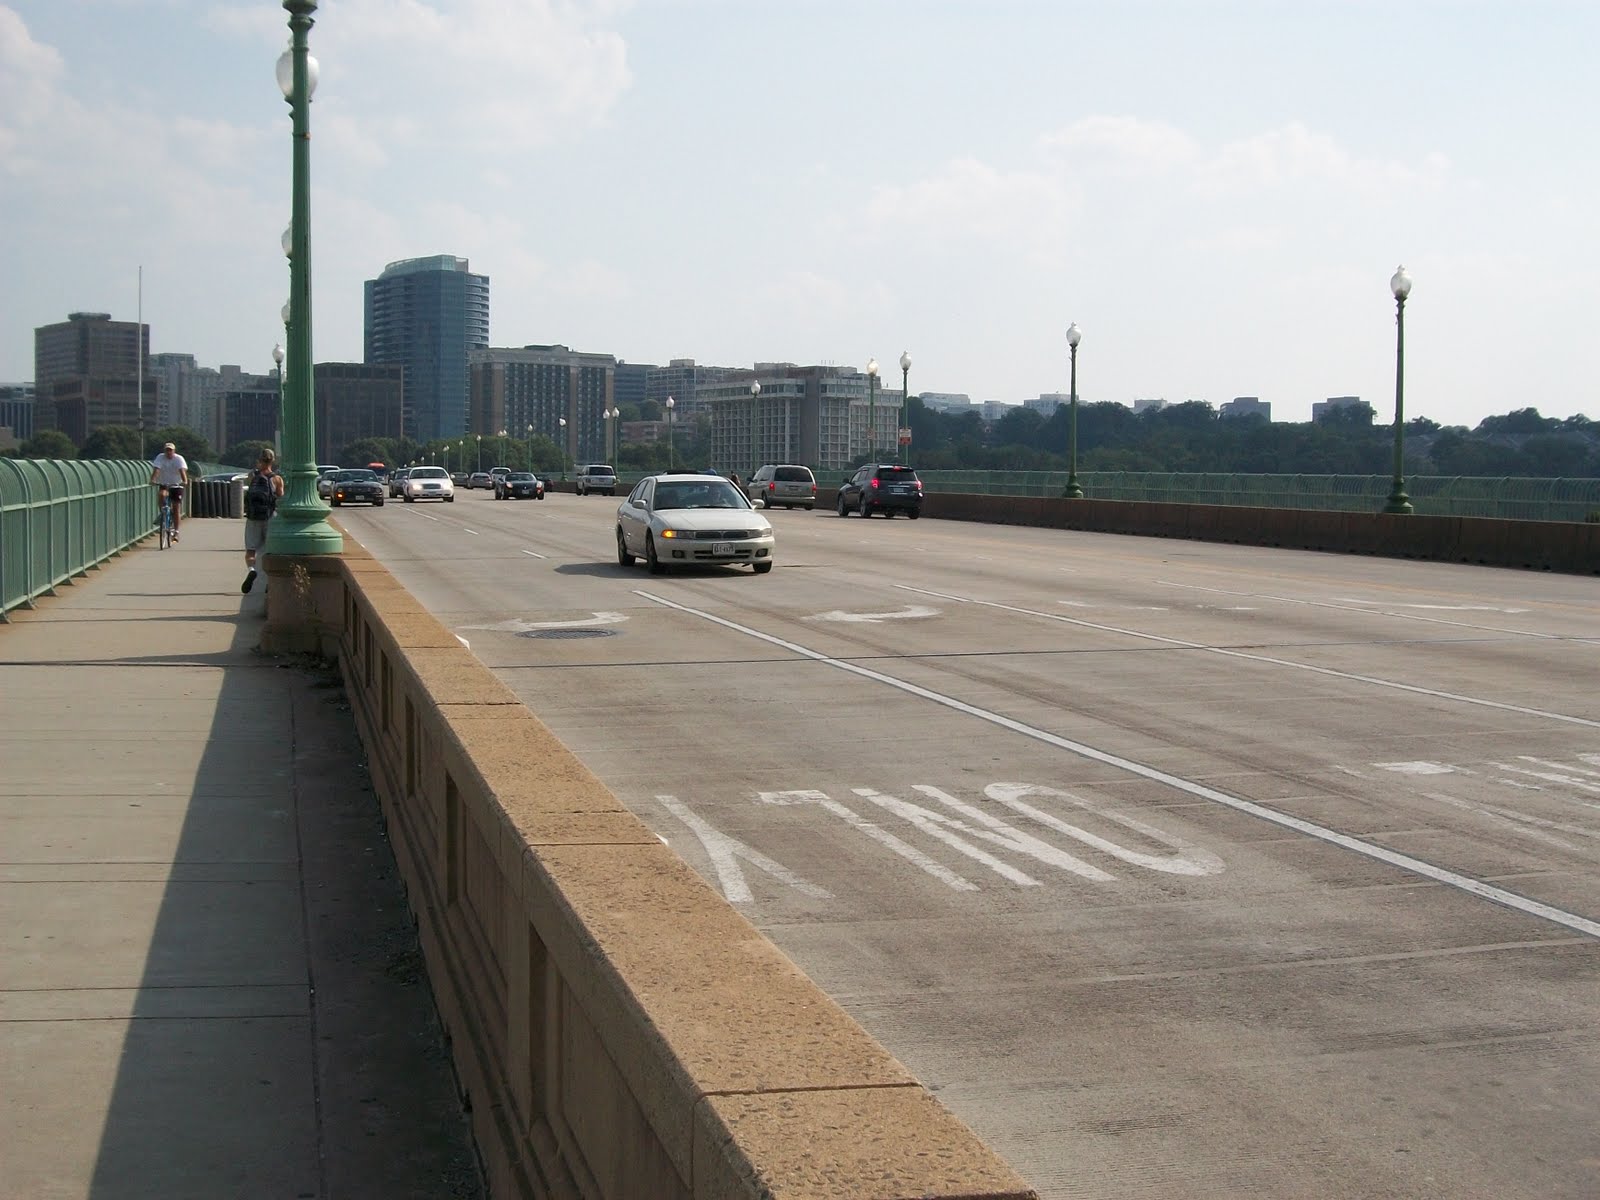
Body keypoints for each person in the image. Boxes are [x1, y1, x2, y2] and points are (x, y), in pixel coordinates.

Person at [241, 449, 285, 594]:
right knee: (269, 551)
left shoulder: (252, 476)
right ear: (272, 461)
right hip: (270, 517)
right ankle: (268, 581)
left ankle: (252, 570)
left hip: (253, 518)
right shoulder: (277, 479)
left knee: (251, 551)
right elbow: (280, 498)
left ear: (260, 460)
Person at [149, 442, 189, 541]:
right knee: (162, 495)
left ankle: (176, 532)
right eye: (167, 450)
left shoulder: (178, 459)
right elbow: (157, 469)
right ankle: (163, 513)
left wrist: (184, 481)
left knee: (176, 507)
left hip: (176, 485)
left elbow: (182, 471)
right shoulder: (160, 457)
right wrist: (153, 479)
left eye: (170, 450)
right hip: (164, 484)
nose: (168, 452)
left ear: (174, 451)